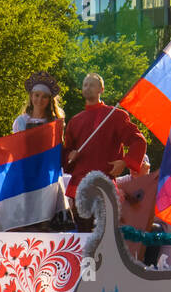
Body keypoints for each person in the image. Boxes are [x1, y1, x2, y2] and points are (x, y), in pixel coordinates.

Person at [62, 73, 147, 230]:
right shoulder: (75, 121)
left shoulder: (115, 115)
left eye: (92, 84)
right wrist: (69, 156)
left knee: (103, 235)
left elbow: (138, 140)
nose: (87, 87)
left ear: (101, 89)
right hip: (78, 188)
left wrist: (125, 162)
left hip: (104, 186)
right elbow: (66, 155)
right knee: (83, 235)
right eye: (85, 84)